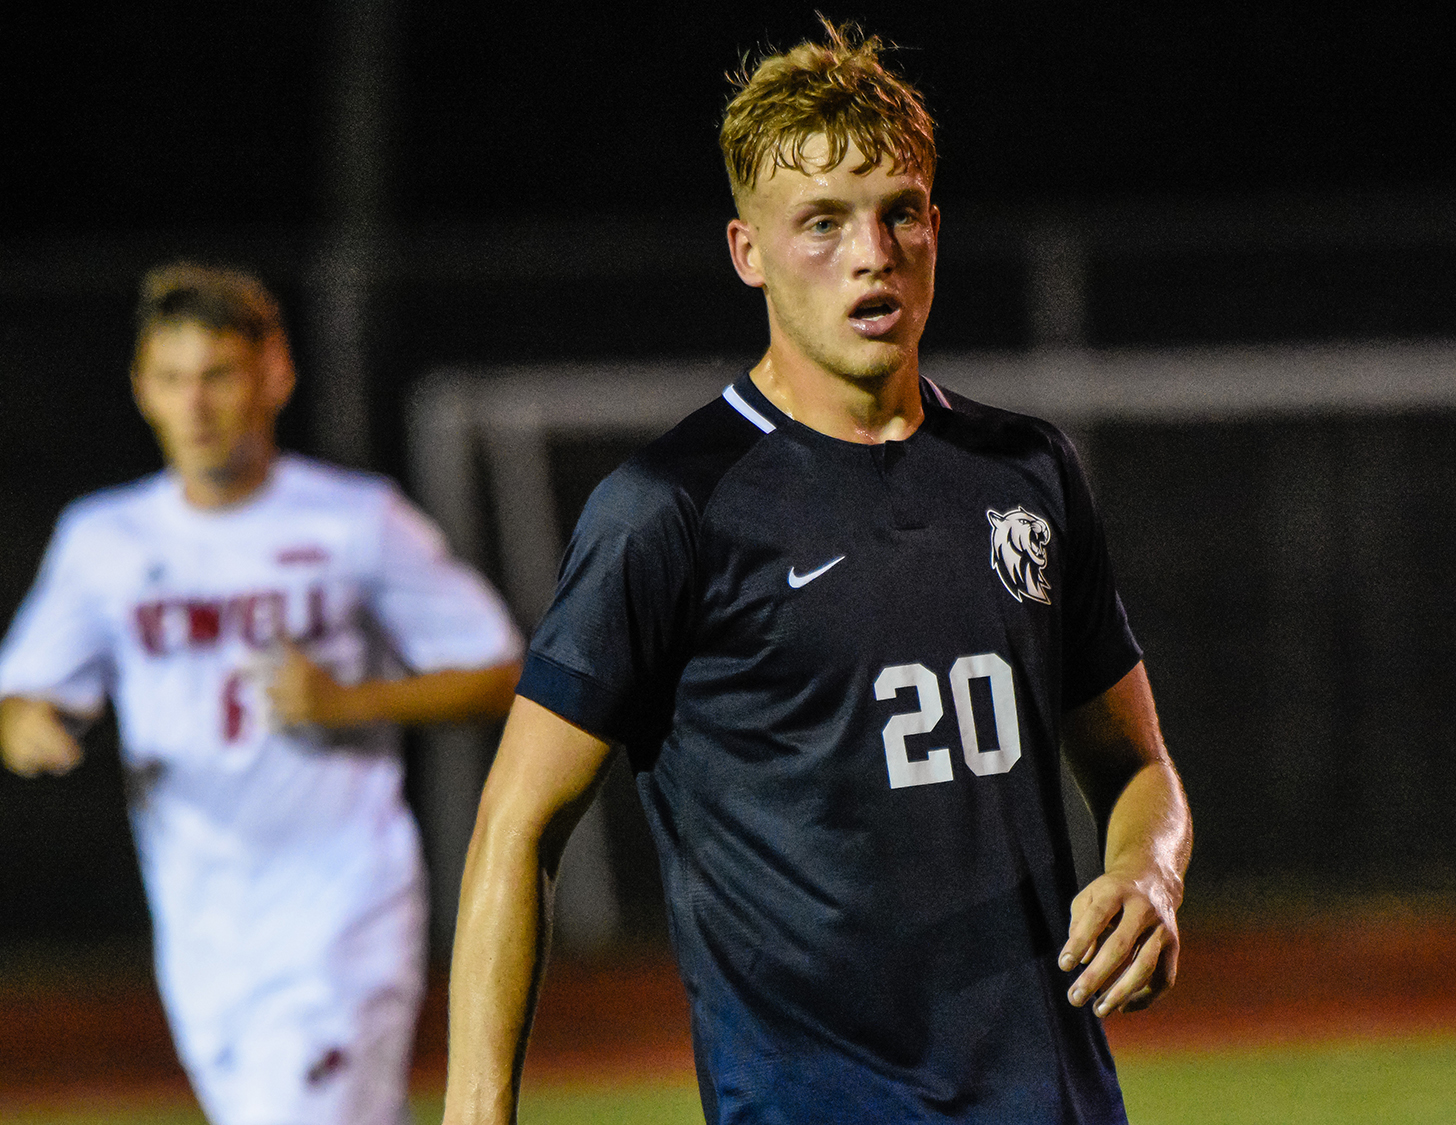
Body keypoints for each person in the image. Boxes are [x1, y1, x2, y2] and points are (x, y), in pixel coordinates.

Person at [443, 20, 1191, 1125]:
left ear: (936, 229)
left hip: (1055, 1099)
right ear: (747, 251)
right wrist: (474, 1109)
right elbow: (518, 822)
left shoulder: (1026, 471)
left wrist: (1148, 872)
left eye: (897, 214)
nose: (869, 254)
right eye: (821, 225)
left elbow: (1137, 766)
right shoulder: (668, 510)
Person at [0, 263, 523, 1125]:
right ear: (142, 391)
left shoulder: (354, 519)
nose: (195, 404)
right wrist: (31, 726)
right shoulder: (104, 540)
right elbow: (27, 692)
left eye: (217, 376)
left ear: (273, 376)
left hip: (342, 908)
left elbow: (504, 672)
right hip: (201, 929)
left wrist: (349, 703)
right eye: (172, 379)